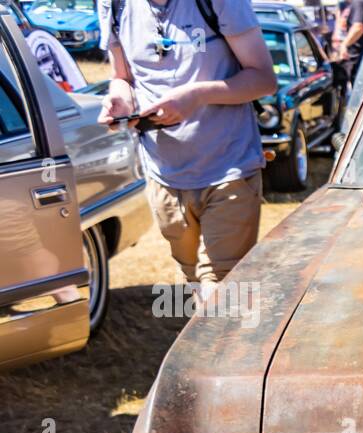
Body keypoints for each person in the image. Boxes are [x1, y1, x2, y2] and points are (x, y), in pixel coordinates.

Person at [98, 0, 276, 291]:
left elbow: (264, 79)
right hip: (163, 174)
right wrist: (120, 100)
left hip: (228, 168)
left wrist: (197, 95)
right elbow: (123, 78)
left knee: (221, 288)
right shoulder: (113, 5)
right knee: (191, 282)